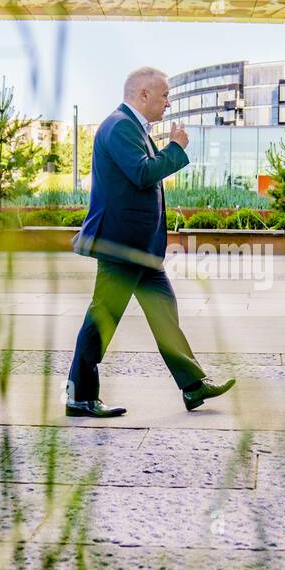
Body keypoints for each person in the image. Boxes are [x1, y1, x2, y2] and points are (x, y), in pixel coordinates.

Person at [66, 67, 236, 417]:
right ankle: (80, 395)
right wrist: (175, 148)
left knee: (164, 313)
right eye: (164, 96)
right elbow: (143, 173)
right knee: (103, 318)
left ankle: (192, 386)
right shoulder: (120, 126)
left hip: (139, 249)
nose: (168, 104)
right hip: (121, 246)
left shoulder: (131, 128)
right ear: (143, 94)